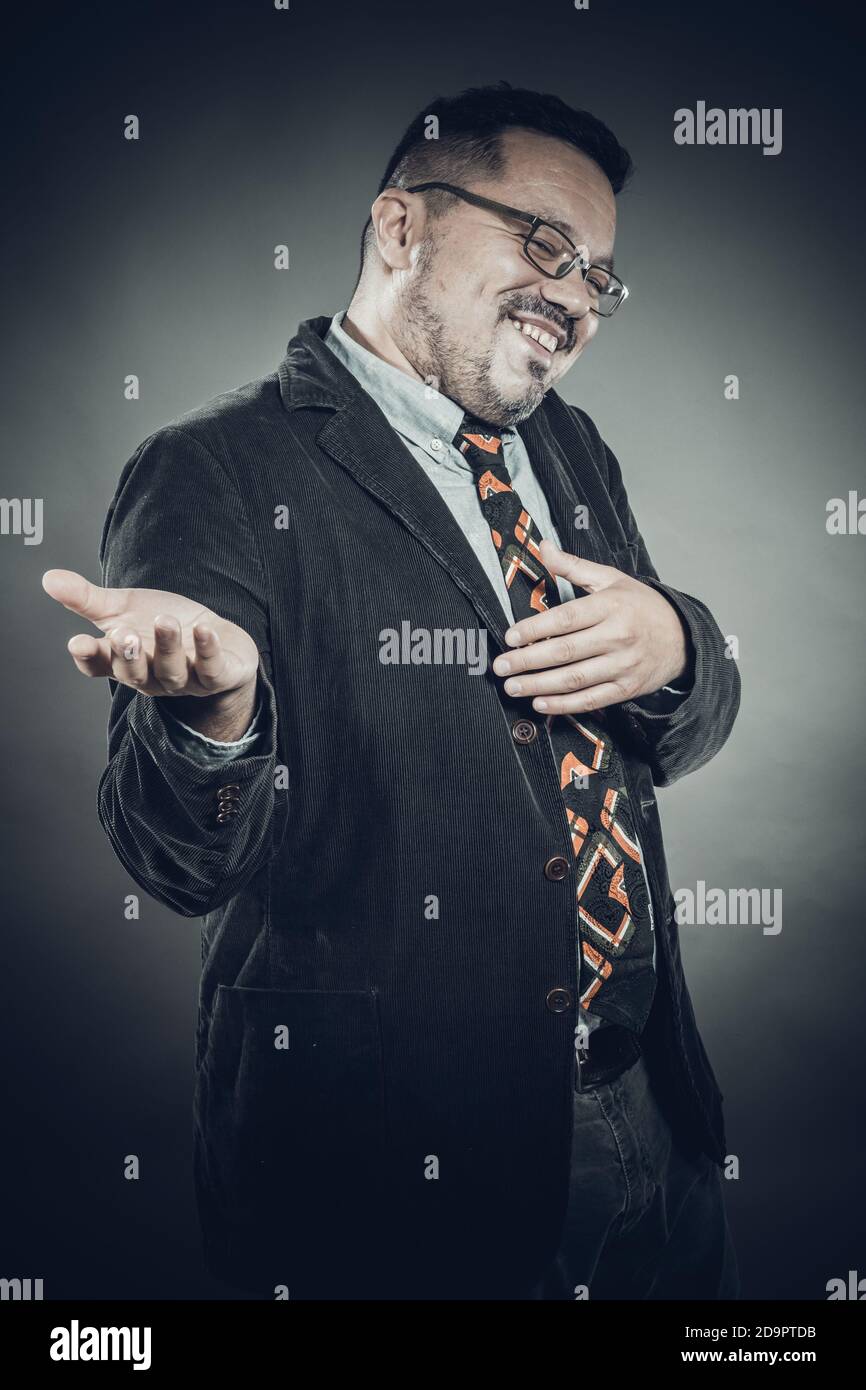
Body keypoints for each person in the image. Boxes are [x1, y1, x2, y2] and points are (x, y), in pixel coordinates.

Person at [42, 83, 741, 1300]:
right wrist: (216, 717)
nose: (574, 298)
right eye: (544, 246)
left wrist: (678, 643)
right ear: (399, 226)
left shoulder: (570, 448)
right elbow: (176, 865)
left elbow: (662, 735)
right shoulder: (212, 467)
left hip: (648, 1110)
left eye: (598, 279)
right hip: (390, 1151)